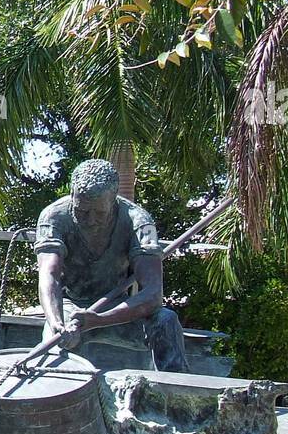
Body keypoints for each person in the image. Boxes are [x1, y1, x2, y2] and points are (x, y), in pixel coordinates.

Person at [34, 158, 189, 372]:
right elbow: (48, 275)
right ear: (72, 196)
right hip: (71, 308)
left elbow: (153, 294)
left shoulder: (141, 222)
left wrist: (99, 320)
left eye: (99, 213)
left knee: (166, 320)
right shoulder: (52, 217)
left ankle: (175, 394)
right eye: (82, 211)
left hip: (117, 310)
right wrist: (56, 323)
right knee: (56, 344)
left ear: (114, 200)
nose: (90, 220)